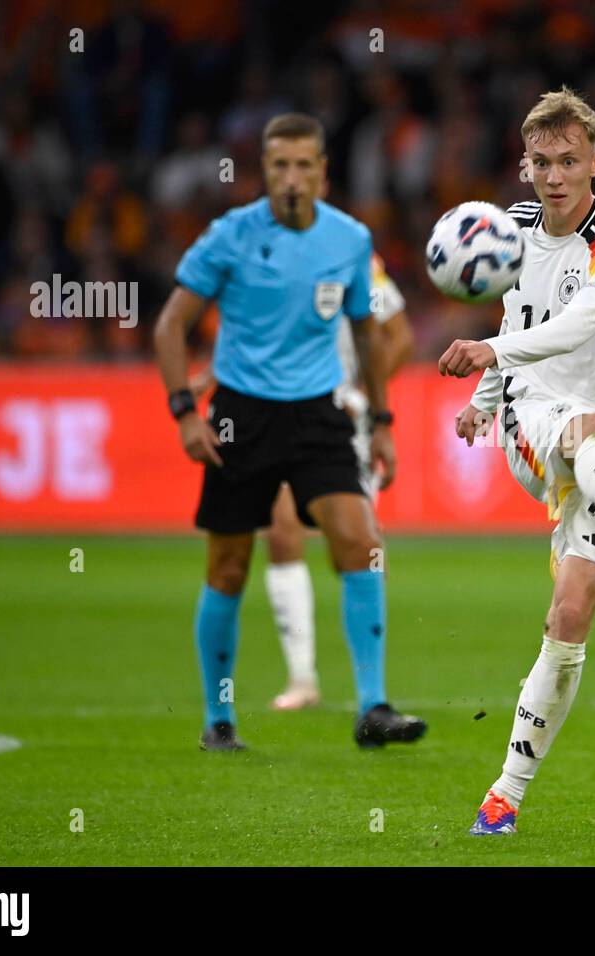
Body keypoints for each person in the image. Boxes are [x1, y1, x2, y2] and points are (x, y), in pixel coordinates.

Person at [438, 87, 595, 834]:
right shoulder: (506, 233)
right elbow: (513, 316)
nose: (554, 175)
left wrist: (489, 352)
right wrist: (487, 393)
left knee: (568, 620)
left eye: (569, 160)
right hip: (532, 420)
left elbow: (575, 326)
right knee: (577, 424)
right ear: (524, 166)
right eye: (541, 161)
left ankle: (503, 796)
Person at [154, 112, 426, 751]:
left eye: (304, 165)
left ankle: (373, 707)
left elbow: (364, 330)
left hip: (318, 411)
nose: (292, 178)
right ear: (265, 171)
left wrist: (381, 421)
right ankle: (219, 720)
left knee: (360, 542)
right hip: (240, 413)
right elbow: (169, 326)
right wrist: (185, 414)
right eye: (279, 165)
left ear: (324, 173)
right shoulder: (229, 236)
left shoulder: (351, 240)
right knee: (227, 567)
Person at [188, 252, 413, 711]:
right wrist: (212, 376)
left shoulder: (354, 255)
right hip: (280, 410)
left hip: (341, 418)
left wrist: (365, 396)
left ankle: (372, 693)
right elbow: (257, 336)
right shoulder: (261, 252)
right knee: (281, 530)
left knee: (357, 549)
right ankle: (303, 678)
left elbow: (400, 336)